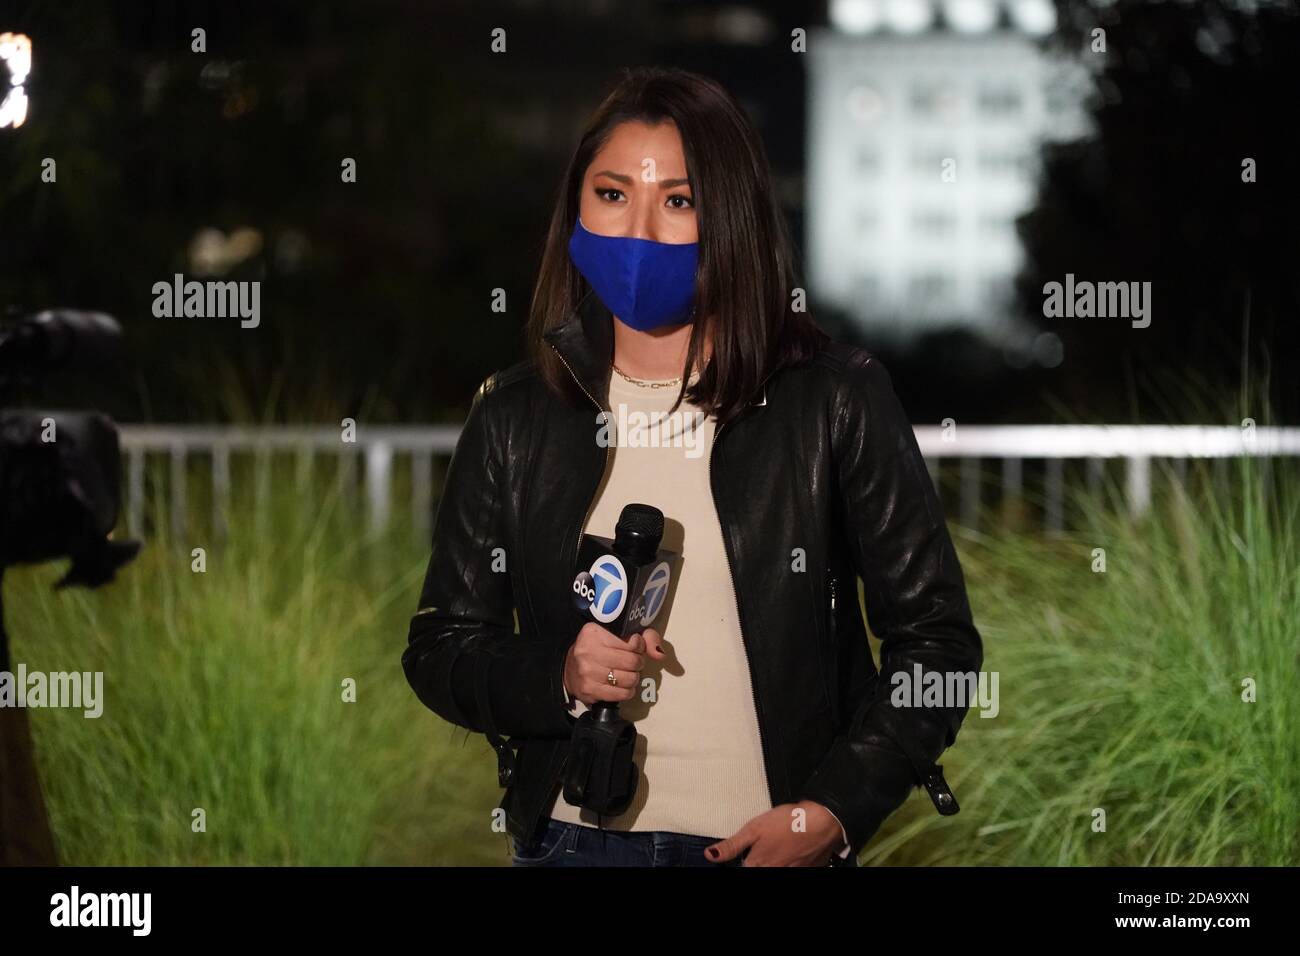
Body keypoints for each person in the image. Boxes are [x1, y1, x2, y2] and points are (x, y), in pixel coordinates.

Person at [402, 66, 983, 867]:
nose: (639, 229)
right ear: (576, 206)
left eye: (678, 202)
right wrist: (557, 675)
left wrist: (834, 811)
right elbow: (441, 647)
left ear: (731, 216)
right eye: (612, 194)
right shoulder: (514, 414)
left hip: (766, 844)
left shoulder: (835, 399)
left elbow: (939, 647)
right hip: (571, 844)